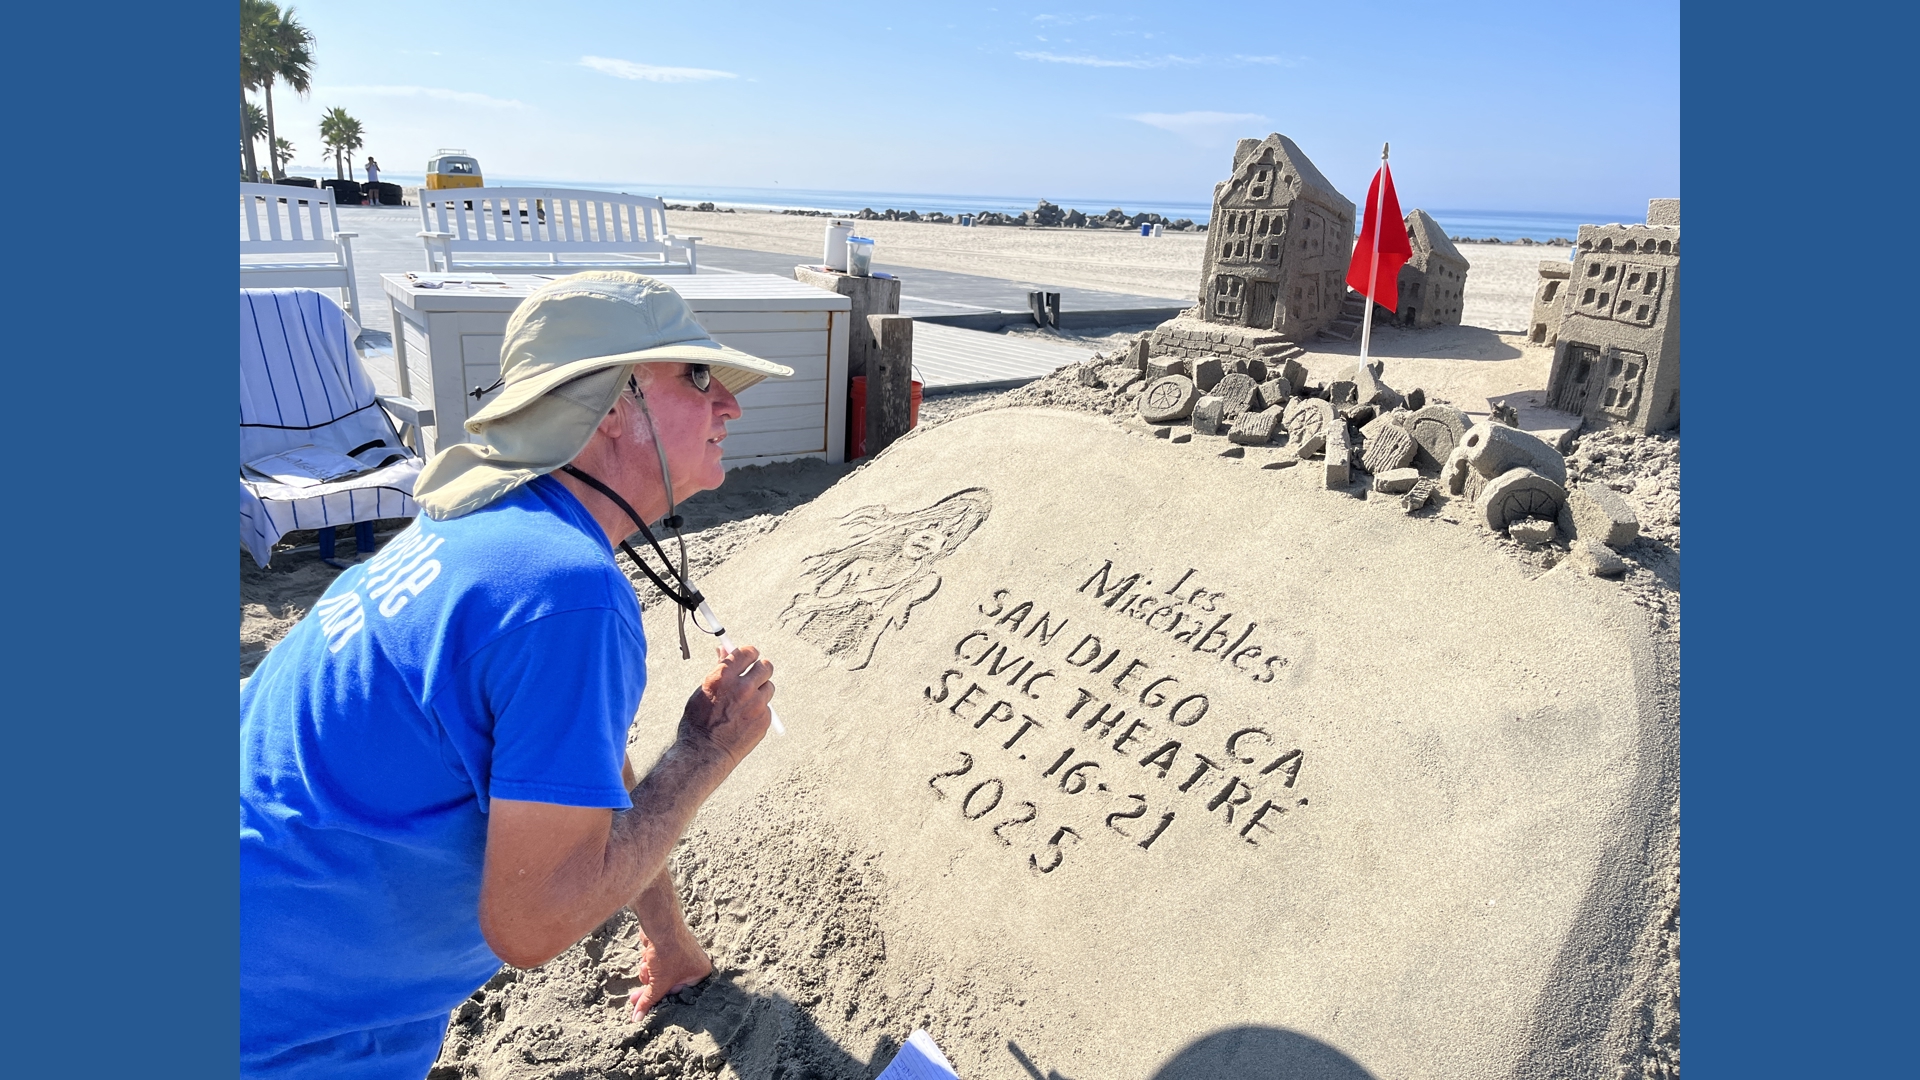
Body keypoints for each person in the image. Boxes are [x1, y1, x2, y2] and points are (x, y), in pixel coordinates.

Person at [240, 272, 793, 1079]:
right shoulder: (566, 593)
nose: (730, 406)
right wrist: (704, 753)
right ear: (613, 403)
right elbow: (531, 927)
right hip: (286, 1023)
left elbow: (576, 767)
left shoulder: (498, 527)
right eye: (698, 378)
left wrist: (668, 941)